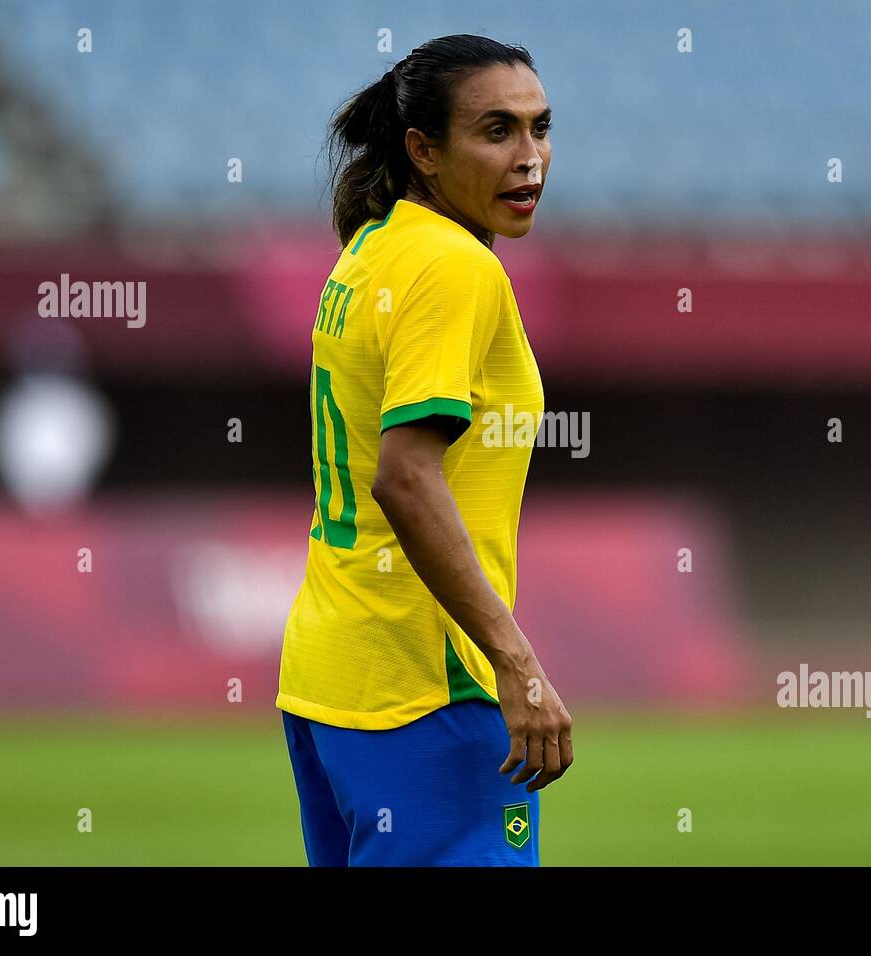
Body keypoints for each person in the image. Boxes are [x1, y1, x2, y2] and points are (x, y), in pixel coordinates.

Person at [276, 34, 572, 867]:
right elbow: (404, 478)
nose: (530, 158)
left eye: (540, 128)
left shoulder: (373, 248)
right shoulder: (453, 268)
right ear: (423, 151)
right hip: (425, 684)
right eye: (497, 131)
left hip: (329, 678)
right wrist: (515, 663)